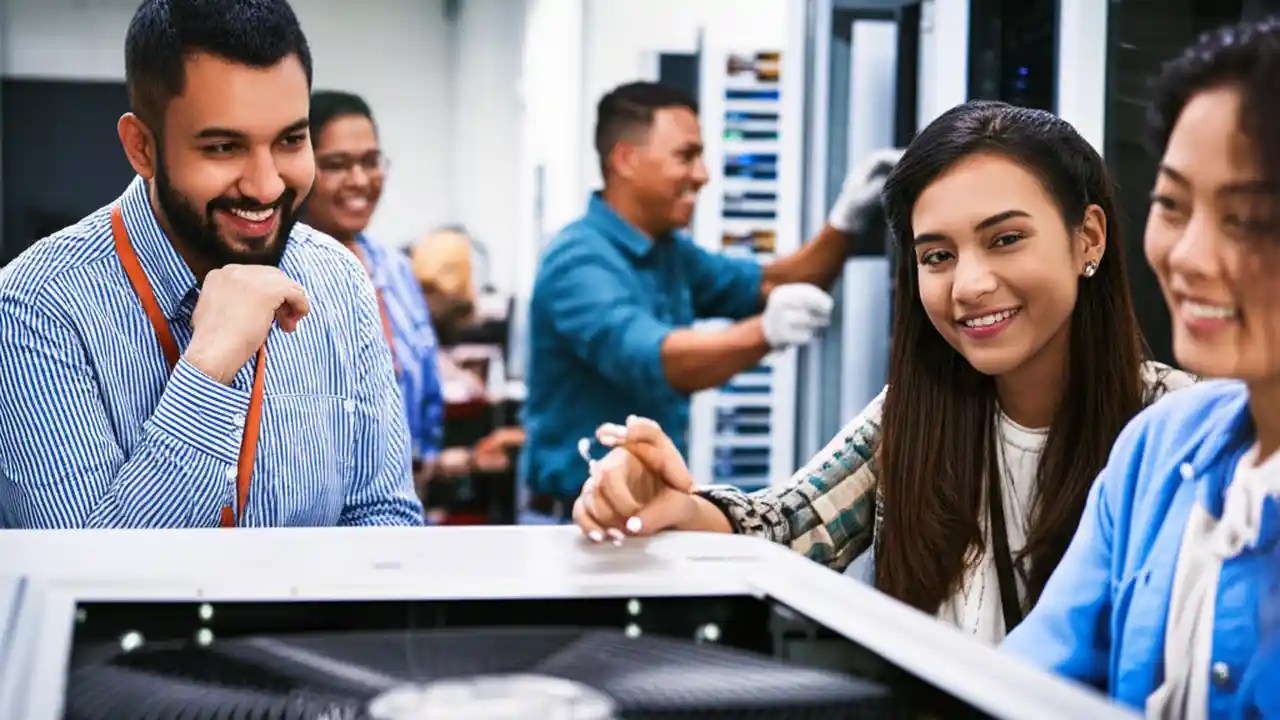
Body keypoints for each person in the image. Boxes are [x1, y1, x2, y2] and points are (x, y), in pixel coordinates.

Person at [570, 100, 1198, 644]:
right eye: (938, 256)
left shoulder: (1181, 425)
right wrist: (668, 502)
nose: (970, 285)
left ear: (1088, 237)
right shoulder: (913, 415)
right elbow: (786, 526)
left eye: (1005, 239)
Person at [0, 0, 422, 529]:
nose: (267, 185)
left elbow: (384, 516)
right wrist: (209, 369)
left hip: (318, 615)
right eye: (224, 147)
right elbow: (90, 581)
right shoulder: (35, 307)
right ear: (142, 147)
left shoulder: (338, 280)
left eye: (291, 140)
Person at [1003, 18, 1280, 717]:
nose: (1187, 255)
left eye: (1247, 219)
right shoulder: (1161, 449)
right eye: (1171, 206)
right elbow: (1021, 690)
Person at [523, 80, 899, 519]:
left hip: (646, 515)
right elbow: (659, 360)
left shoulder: (669, 253)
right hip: (575, 521)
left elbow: (774, 282)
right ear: (626, 159)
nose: (703, 174)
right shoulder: (578, 262)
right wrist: (766, 332)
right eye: (686, 155)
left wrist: (845, 219)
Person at [304, 90, 444, 498]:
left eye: (370, 161)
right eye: (336, 165)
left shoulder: (395, 270)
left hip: (406, 505)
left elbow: (426, 393)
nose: (360, 180)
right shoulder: (283, 276)